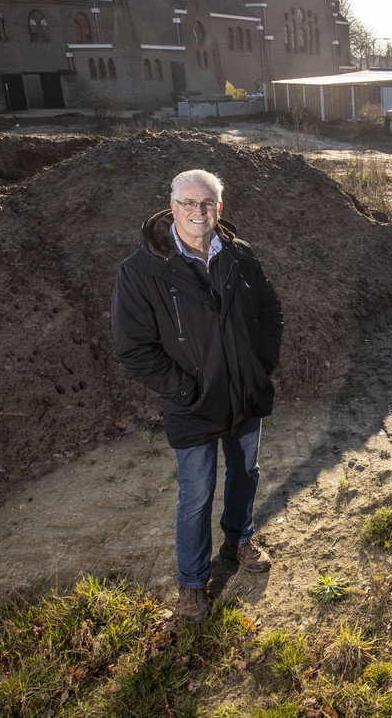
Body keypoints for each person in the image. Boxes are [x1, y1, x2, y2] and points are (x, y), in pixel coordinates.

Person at [112, 169, 283, 624]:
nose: (197, 211)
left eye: (206, 202)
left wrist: (260, 365)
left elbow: (270, 311)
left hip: (244, 391)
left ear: (218, 208)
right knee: (196, 494)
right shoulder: (142, 270)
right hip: (192, 402)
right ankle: (192, 582)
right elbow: (133, 348)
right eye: (188, 202)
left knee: (245, 472)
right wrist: (184, 388)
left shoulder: (240, 255)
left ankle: (239, 539)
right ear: (172, 207)